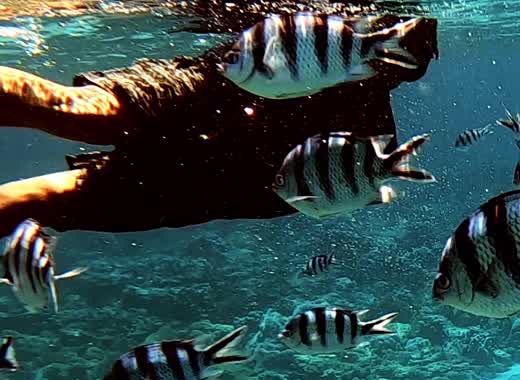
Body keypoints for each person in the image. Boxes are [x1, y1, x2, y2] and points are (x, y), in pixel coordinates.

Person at [0, 14, 438, 233]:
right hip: (215, 88)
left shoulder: (370, 117)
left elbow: (413, 46)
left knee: (49, 199)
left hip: (235, 183)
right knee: (77, 111)